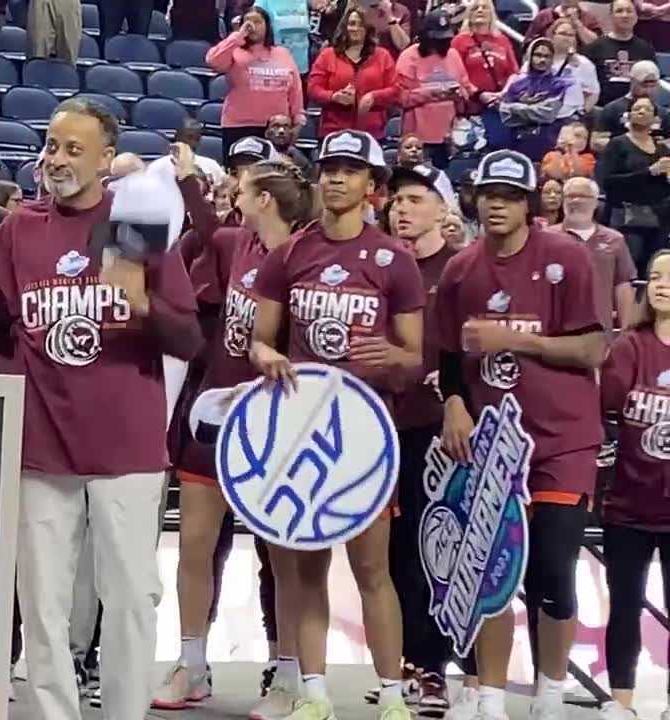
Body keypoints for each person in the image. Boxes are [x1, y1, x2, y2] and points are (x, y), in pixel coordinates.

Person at [0, 96, 202, 720]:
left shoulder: (131, 224)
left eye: (74, 149)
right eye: (52, 146)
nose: (57, 159)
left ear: (107, 159)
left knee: (130, 597)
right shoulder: (20, 228)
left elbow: (187, 337)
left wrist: (140, 308)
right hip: (41, 445)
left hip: (127, 447)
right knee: (43, 603)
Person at [248, 129, 423, 720]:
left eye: (351, 169)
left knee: (373, 569)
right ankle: (314, 691)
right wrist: (265, 355)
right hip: (302, 433)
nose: (336, 178)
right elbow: (259, 342)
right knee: (306, 566)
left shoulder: (394, 260)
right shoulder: (290, 253)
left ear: (373, 186)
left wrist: (390, 358)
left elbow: (414, 357)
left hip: (365, 436)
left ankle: (393, 695)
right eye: (329, 168)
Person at [435, 149, 605, 720]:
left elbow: (591, 348)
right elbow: (449, 353)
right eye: (489, 194)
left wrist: (514, 340)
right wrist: (453, 404)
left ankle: (550, 692)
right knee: (490, 570)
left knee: (552, 566)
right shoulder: (460, 268)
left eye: (509, 195)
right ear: (475, 198)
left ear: (531, 203)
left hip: (562, 440)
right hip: (493, 446)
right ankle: (487, 693)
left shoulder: (567, 257)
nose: (497, 204)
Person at [153, 154, 312, 716]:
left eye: (241, 190)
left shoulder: (308, 257)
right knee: (195, 544)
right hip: (217, 412)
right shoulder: (228, 244)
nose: (234, 197)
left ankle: (290, 673)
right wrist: (185, 181)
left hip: (278, 424)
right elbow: (194, 236)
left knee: (285, 557)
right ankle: (191, 663)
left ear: (263, 199)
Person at [383, 163, 458, 719]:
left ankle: (432, 667)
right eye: (397, 200)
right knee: (387, 554)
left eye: (415, 199)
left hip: (434, 429)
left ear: (442, 209)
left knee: (430, 550)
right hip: (380, 425)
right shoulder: (380, 263)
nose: (401, 208)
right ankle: (398, 667)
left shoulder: (457, 267)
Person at [598, 249, 670, 720]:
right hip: (627, 505)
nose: (662, 283)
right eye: (656, 275)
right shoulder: (629, 346)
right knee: (624, 606)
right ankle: (620, 703)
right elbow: (606, 407)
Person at [206, 6, 303, 149]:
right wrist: (237, 36)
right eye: (247, 22)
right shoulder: (234, 51)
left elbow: (295, 90)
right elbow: (212, 61)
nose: (252, 26)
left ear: (267, 26)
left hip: (277, 128)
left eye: (257, 22)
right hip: (239, 126)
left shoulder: (283, 53)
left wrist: (298, 121)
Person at [551, 177, 638, 334]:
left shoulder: (615, 240)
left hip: (599, 332)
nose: (576, 200)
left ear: (596, 202)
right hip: (553, 332)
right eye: (570, 196)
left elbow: (623, 285)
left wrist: (626, 331)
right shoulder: (546, 238)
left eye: (583, 196)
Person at [598, 96, 670, 275]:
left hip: (659, 219)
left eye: (647, 109)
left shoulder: (662, 149)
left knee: (653, 269)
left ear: (655, 119)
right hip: (626, 219)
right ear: (628, 115)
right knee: (628, 271)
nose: (641, 111)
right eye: (637, 108)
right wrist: (648, 172)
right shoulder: (617, 144)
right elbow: (607, 181)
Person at [395, 11, 472, 170]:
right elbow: (400, 97)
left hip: (447, 135)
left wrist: (459, 94)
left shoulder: (453, 55)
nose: (439, 43)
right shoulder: (409, 56)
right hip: (418, 137)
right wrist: (431, 93)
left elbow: (466, 87)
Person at [307, 7, 398, 140]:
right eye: (352, 24)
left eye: (361, 25)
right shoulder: (328, 55)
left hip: (372, 132)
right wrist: (334, 96)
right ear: (345, 27)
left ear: (368, 29)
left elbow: (396, 90)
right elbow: (313, 89)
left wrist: (374, 97)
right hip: (334, 131)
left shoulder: (382, 56)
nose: (355, 29)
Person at [450, 0, 518, 148]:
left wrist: (503, 93)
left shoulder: (502, 40)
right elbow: (456, 73)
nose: (480, 11)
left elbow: (514, 72)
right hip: (472, 106)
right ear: (469, 14)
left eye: (485, 8)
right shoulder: (460, 41)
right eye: (475, 8)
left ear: (492, 14)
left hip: (499, 104)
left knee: (500, 143)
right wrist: (479, 94)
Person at [497, 38, 570, 162]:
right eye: (538, 55)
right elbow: (505, 116)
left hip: (546, 140)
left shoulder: (558, 84)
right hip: (517, 140)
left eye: (547, 56)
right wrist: (533, 110)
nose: (542, 60)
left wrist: (516, 109)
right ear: (530, 56)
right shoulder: (516, 84)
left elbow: (548, 114)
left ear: (552, 59)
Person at [584, 0, 657, 106]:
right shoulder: (595, 47)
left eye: (629, 11)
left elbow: (651, 83)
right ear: (611, 16)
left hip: (637, 110)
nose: (625, 15)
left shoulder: (646, 49)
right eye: (619, 11)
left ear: (636, 17)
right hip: (601, 110)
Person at [597, 60, 670, 140]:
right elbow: (597, 142)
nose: (648, 91)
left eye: (653, 86)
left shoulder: (663, 113)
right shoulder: (612, 110)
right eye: (644, 85)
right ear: (632, 81)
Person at [149, 119, 227, 188]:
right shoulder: (158, 167)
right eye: (189, 137)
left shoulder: (212, 165)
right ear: (177, 137)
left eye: (197, 139)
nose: (192, 143)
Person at [547, 19, 599, 118]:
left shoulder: (584, 64)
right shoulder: (540, 59)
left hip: (571, 117)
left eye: (571, 35)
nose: (567, 38)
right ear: (552, 35)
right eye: (562, 34)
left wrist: (581, 113)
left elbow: (593, 93)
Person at [525, 0, 601, 44]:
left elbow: (595, 44)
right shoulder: (544, 16)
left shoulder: (589, 18)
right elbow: (528, 43)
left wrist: (576, 22)